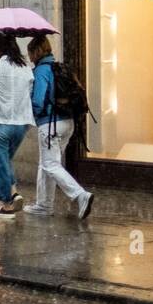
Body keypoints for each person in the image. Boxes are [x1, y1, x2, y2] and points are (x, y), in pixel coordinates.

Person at [24, 35, 93, 219]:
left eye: (30, 53)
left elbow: (38, 101)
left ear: (36, 52)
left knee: (50, 164)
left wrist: (31, 113)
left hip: (50, 123)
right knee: (47, 164)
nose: (29, 57)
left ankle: (80, 195)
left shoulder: (41, 71)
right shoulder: (60, 68)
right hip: (67, 123)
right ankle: (44, 205)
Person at [0, 33, 35, 219]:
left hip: (0, 120)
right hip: (22, 123)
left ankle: (6, 204)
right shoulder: (25, 67)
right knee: (5, 160)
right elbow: (30, 91)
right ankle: (13, 192)